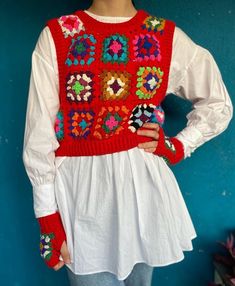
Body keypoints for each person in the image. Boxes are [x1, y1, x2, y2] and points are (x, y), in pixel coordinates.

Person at [22, 0, 233, 285]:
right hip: (82, 198)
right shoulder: (59, 35)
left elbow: (218, 104)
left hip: (143, 193)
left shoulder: (163, 36)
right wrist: (47, 217)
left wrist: (178, 145)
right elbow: (38, 136)